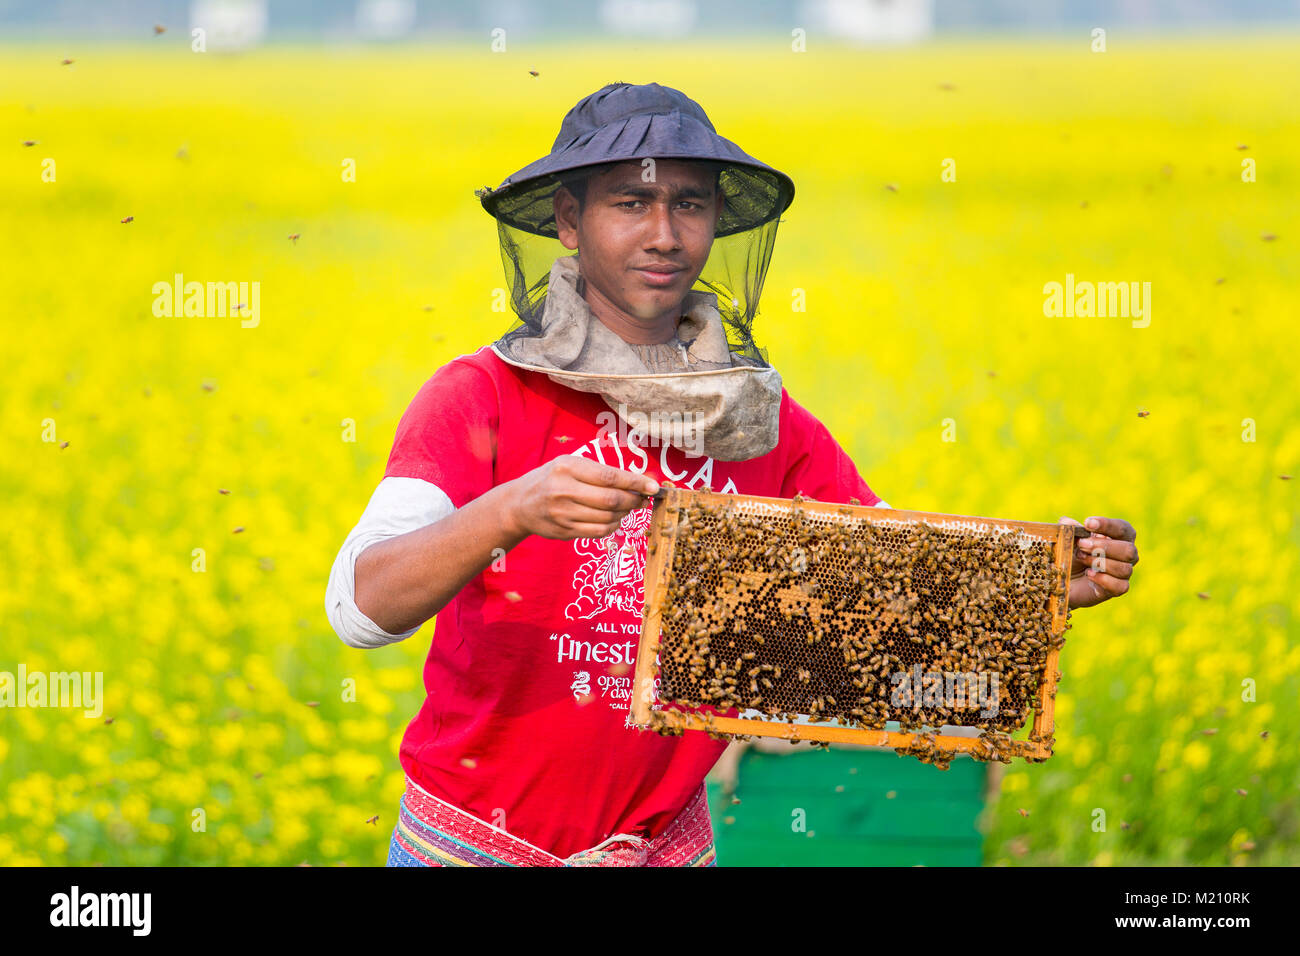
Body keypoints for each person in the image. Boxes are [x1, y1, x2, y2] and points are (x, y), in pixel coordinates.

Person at [324, 82, 1138, 867]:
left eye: (689, 203)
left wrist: (1033, 585)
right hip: (472, 846)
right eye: (630, 203)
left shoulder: (767, 429)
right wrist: (508, 510)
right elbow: (359, 608)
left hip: (665, 848)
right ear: (569, 221)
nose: (665, 235)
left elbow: (894, 586)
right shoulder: (481, 396)